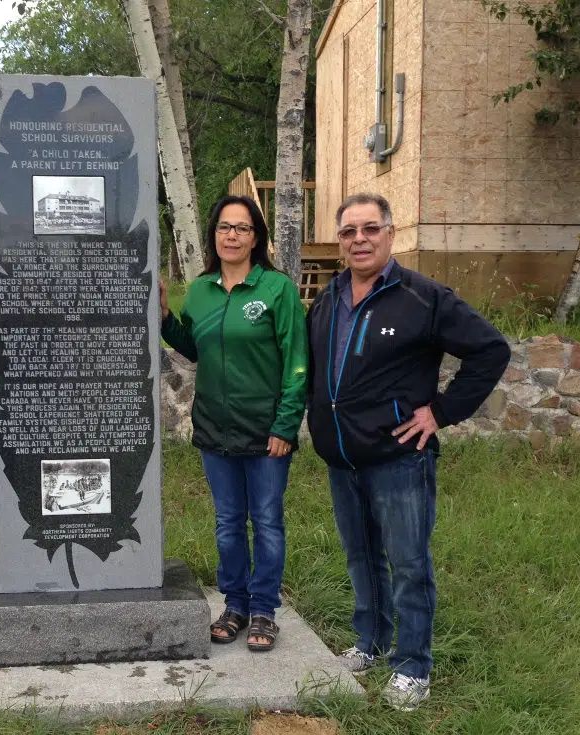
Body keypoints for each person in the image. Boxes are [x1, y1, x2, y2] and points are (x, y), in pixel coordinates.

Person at [306, 192, 510, 709]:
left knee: (409, 563)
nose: (359, 239)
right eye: (349, 231)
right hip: (343, 459)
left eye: (370, 229)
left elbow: (491, 350)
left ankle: (413, 665)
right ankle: (370, 644)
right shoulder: (328, 298)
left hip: (399, 459)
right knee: (360, 558)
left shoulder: (423, 297)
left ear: (390, 234)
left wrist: (440, 412)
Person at [160, 195, 308, 652]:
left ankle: (264, 610)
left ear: (256, 237)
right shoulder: (201, 289)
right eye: (224, 227)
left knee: (265, 521)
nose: (231, 235)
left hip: (266, 432)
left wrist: (285, 426)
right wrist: (165, 315)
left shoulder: (276, 289)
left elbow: (297, 362)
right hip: (215, 428)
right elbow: (195, 346)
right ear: (214, 235)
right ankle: (236, 605)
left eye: (242, 228)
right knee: (227, 523)